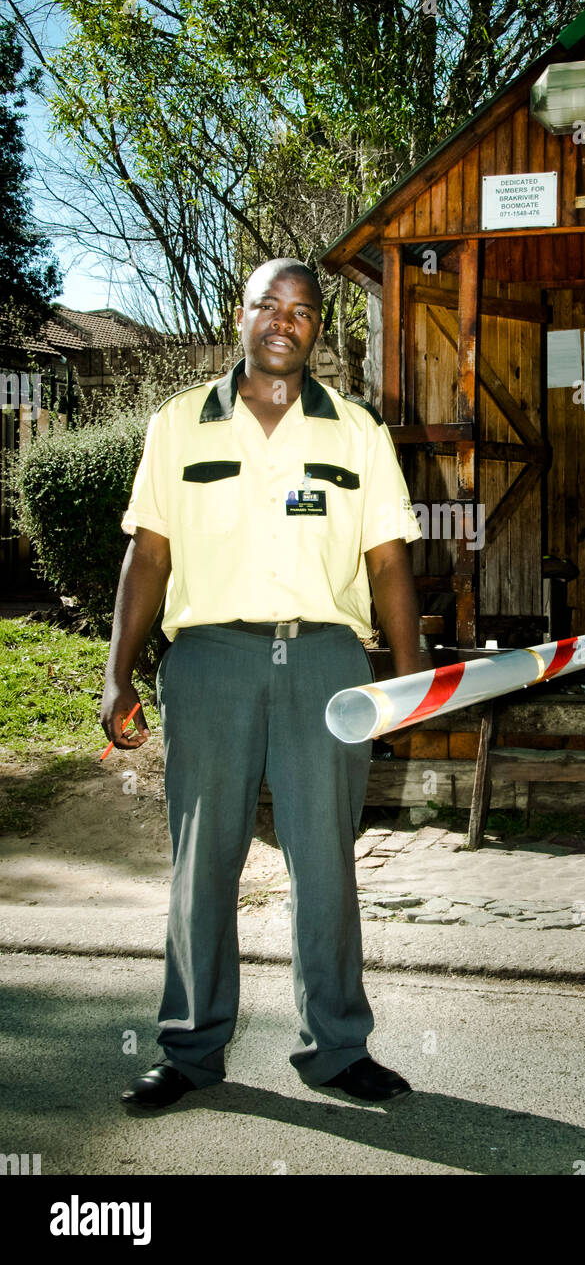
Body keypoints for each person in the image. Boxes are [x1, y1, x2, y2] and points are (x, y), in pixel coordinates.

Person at [100, 257, 423, 1111]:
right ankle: (191, 1051)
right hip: (209, 661)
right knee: (201, 862)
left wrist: (409, 674)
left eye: (304, 311)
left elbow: (388, 559)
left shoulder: (356, 431)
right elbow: (148, 554)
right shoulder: (177, 425)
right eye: (269, 306)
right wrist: (117, 672)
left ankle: (337, 1049)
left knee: (326, 861)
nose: (286, 321)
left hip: (323, 661)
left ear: (320, 328)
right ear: (239, 316)